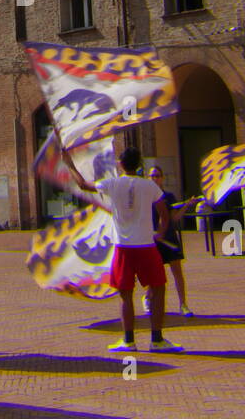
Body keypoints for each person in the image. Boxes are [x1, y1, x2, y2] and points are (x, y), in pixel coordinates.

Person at [80, 145, 183, 354]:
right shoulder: (150, 186)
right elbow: (164, 215)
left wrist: (69, 162)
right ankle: (157, 339)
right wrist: (161, 233)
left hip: (123, 247)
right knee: (158, 289)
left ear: (120, 164)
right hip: (146, 245)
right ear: (139, 165)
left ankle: (128, 340)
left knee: (125, 294)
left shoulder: (112, 183)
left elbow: (82, 184)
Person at [145, 165, 200, 316]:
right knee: (154, 274)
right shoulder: (144, 198)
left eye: (157, 176)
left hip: (169, 238)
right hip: (154, 241)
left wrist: (187, 205)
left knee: (177, 273)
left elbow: (174, 218)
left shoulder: (168, 197)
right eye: (152, 176)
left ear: (162, 178)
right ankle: (148, 298)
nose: (154, 179)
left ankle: (183, 305)